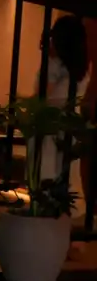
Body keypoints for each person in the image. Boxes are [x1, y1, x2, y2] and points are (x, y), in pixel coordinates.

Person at [35, 14, 90, 181]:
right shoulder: (83, 69)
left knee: (47, 178)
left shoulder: (54, 65)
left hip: (52, 130)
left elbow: (42, 96)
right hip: (73, 132)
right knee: (66, 179)